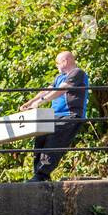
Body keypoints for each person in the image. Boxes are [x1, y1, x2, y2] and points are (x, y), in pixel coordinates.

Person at [19, 50, 89, 182]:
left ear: (65, 61)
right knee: (40, 138)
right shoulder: (58, 77)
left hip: (70, 115)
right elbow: (47, 90)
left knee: (53, 142)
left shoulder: (77, 73)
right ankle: (39, 175)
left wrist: (42, 101)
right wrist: (30, 102)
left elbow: (61, 90)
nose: (56, 67)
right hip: (55, 116)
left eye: (57, 63)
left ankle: (41, 175)